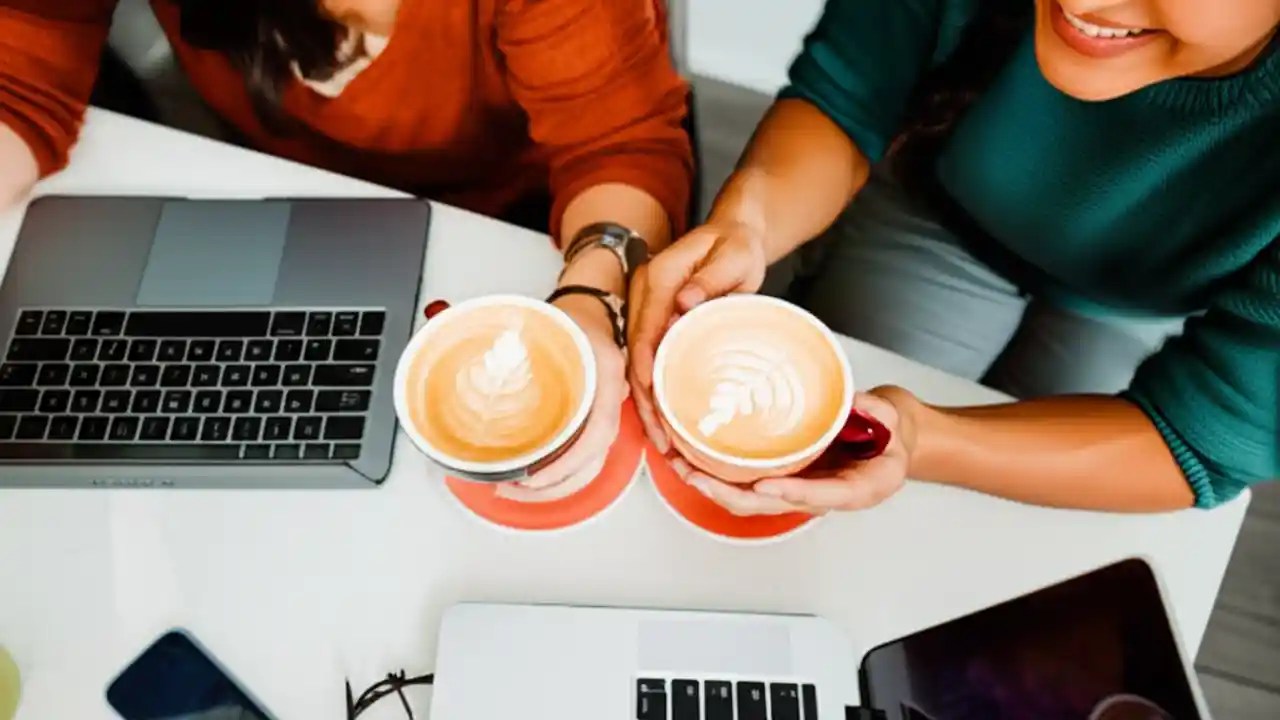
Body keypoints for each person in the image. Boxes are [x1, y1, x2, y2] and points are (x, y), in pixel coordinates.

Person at [0, 0, 694, 492]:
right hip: (279, 214)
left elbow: (620, 148)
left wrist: (592, 297)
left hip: (518, 229)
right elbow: (20, 73)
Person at [629, 0, 1278, 516]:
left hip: (1142, 301)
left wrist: (922, 440)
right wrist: (749, 223)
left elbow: (1196, 440)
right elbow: (845, 96)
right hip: (936, 205)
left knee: (1011, 524)